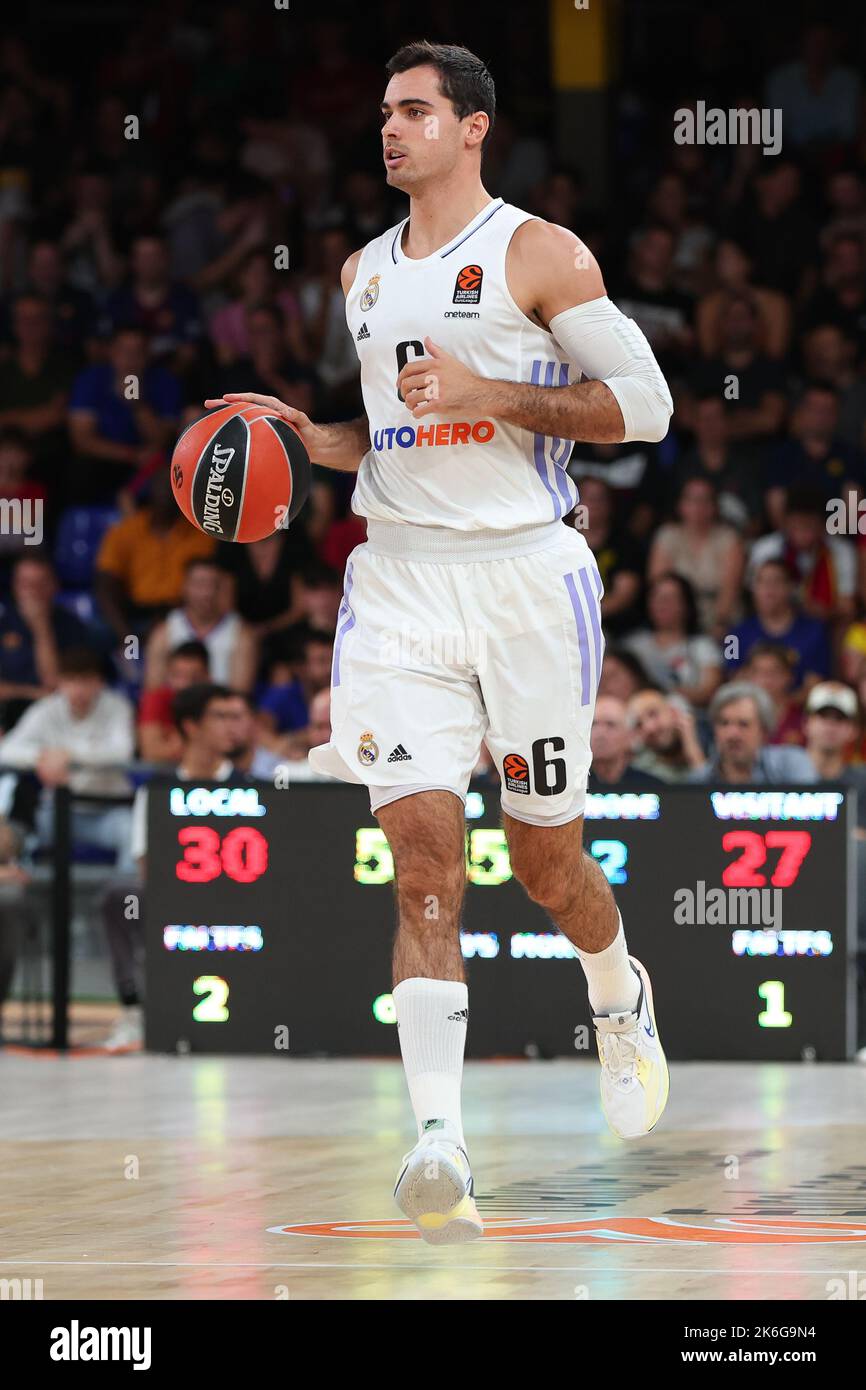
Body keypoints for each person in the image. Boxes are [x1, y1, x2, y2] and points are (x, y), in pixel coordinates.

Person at [206, 40, 674, 1242]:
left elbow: (648, 408)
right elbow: (389, 438)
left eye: (414, 110)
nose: (389, 127)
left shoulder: (539, 250)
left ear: (473, 128)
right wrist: (295, 434)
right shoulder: (360, 273)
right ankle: (437, 1137)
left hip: (527, 579)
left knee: (544, 865)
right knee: (424, 862)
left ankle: (616, 996)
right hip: (401, 584)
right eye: (383, 111)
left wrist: (500, 394)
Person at [100, 682, 245, 1052]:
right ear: (191, 726)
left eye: (236, 717)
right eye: (220, 717)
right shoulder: (156, 791)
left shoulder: (256, 788)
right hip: (176, 902)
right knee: (120, 896)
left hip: (246, 904)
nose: (233, 726)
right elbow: (146, 863)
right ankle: (133, 1011)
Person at [0, 646, 135, 864]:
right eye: (71, 680)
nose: (78, 689)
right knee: (20, 836)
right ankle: (27, 896)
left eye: (86, 680)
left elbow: (122, 752)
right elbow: (5, 750)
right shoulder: (47, 708)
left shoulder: (117, 706)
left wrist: (69, 755)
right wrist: (43, 757)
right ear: (60, 682)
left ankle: (123, 898)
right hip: (58, 809)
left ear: (99, 682)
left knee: (134, 835)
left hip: (109, 810)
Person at [94, 469, 216, 644]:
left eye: (173, 486)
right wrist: (126, 635)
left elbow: (210, 584)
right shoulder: (125, 531)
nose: (166, 491)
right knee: (98, 630)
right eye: (161, 486)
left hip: (183, 614)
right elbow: (104, 586)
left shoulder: (201, 535)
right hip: (134, 615)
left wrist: (173, 621)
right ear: (150, 491)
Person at [0, 554, 94, 731]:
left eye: (40, 584)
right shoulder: (3, 623)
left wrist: (41, 630)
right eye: (26, 584)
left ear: (55, 586)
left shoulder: (72, 626)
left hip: (57, 716)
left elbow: (56, 685)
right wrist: (33, 693)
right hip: (7, 713)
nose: (33, 592)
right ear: (15, 586)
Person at [143, 557, 258, 693]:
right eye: (199, 584)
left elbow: (240, 694)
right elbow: (153, 690)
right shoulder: (163, 632)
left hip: (221, 710)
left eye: (214, 585)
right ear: (184, 586)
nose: (207, 593)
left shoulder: (242, 634)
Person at [648, 477, 745, 634]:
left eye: (704, 500)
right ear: (680, 505)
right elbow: (659, 587)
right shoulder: (667, 536)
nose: (698, 506)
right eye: (691, 499)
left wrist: (718, 623)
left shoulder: (729, 539)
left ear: (715, 506)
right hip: (677, 619)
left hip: (720, 619)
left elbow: (730, 590)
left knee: (728, 645)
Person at [729, 557, 831, 689]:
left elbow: (816, 684)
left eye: (776, 582)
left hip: (798, 708)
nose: (768, 590)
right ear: (752, 589)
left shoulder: (816, 631)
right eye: (761, 581)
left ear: (791, 587)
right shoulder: (733, 635)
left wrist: (784, 705)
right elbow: (732, 680)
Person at [623, 573, 722, 708]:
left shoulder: (703, 646)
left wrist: (663, 694)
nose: (661, 604)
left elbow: (709, 691)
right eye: (656, 598)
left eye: (669, 599)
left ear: (686, 605)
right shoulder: (633, 647)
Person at [689, 682, 818, 784]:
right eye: (724, 723)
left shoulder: (791, 765)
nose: (732, 734)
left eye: (743, 724)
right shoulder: (697, 782)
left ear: (764, 731)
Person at [137, 639, 210, 764]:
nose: (183, 685)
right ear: (168, 675)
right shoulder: (155, 699)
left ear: (207, 678)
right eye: (177, 675)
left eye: (194, 678)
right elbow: (150, 753)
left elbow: (221, 753)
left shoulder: (218, 703)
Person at [626, 688, 707, 783]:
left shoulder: (711, 738)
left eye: (653, 714)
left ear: (674, 712)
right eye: (639, 724)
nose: (649, 728)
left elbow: (709, 788)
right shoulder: (641, 769)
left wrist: (693, 752)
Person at [588, 695, 663, 789]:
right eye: (593, 724)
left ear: (631, 735)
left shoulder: (652, 787)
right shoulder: (571, 786)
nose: (600, 733)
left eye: (610, 725)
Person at [740, 643, 804, 745]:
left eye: (774, 672)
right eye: (759, 672)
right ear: (748, 675)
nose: (766, 680)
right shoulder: (738, 717)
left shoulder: (802, 718)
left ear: (788, 676)